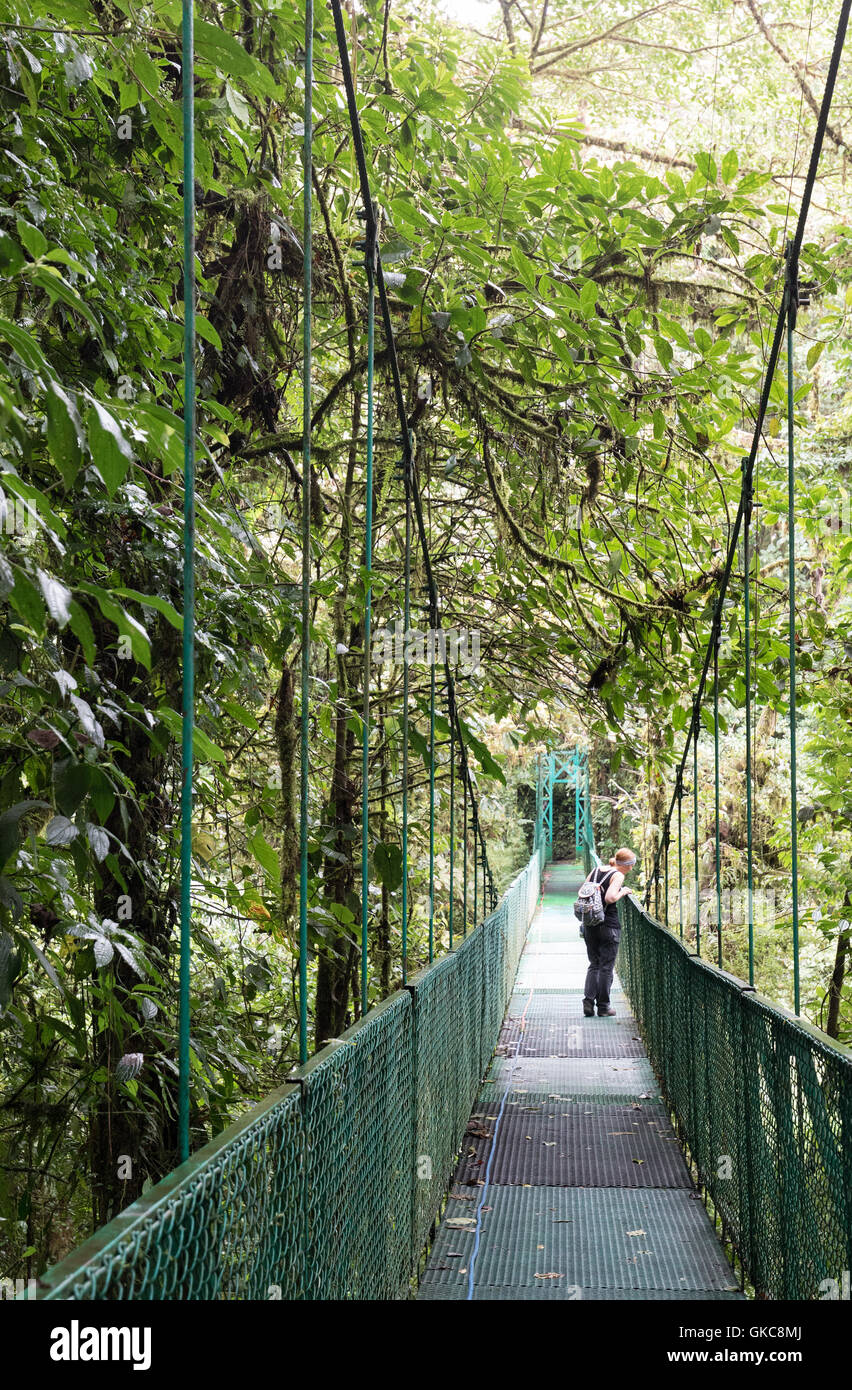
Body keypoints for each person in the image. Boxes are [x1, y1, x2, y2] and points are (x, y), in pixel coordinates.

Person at [580, 847, 636, 1017]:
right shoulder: (618, 875)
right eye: (631, 865)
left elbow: (582, 892)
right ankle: (603, 1007)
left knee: (594, 964)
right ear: (627, 865)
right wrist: (623, 891)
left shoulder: (596, 870)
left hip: (590, 923)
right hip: (608, 925)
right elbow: (610, 898)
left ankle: (588, 1003)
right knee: (606, 967)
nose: (632, 868)